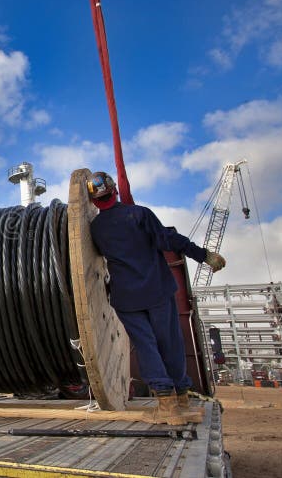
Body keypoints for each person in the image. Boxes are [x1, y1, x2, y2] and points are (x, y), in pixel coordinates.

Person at [87, 171, 226, 423]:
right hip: (157, 290)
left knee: (146, 345)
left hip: (127, 298)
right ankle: (181, 400)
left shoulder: (95, 228)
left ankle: (167, 404)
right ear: (114, 191)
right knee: (171, 342)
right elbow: (168, 239)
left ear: (94, 201)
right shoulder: (139, 214)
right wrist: (203, 255)